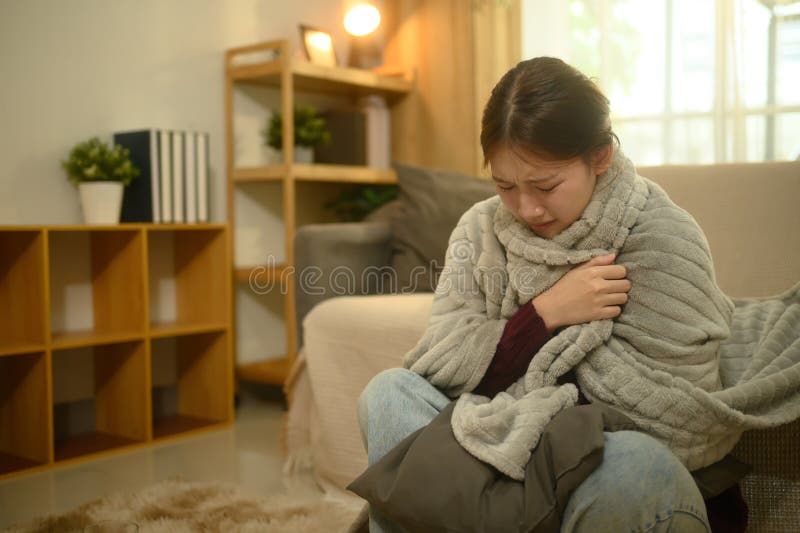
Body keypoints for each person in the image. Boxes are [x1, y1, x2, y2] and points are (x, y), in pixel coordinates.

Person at [359, 57, 722, 533]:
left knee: (635, 463)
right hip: (494, 444)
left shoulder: (661, 233)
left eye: (545, 185)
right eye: (505, 185)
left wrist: (527, 402)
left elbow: (679, 412)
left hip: (596, 463)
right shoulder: (480, 227)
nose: (527, 207)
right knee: (388, 393)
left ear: (600, 157)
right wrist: (547, 312)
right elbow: (440, 362)